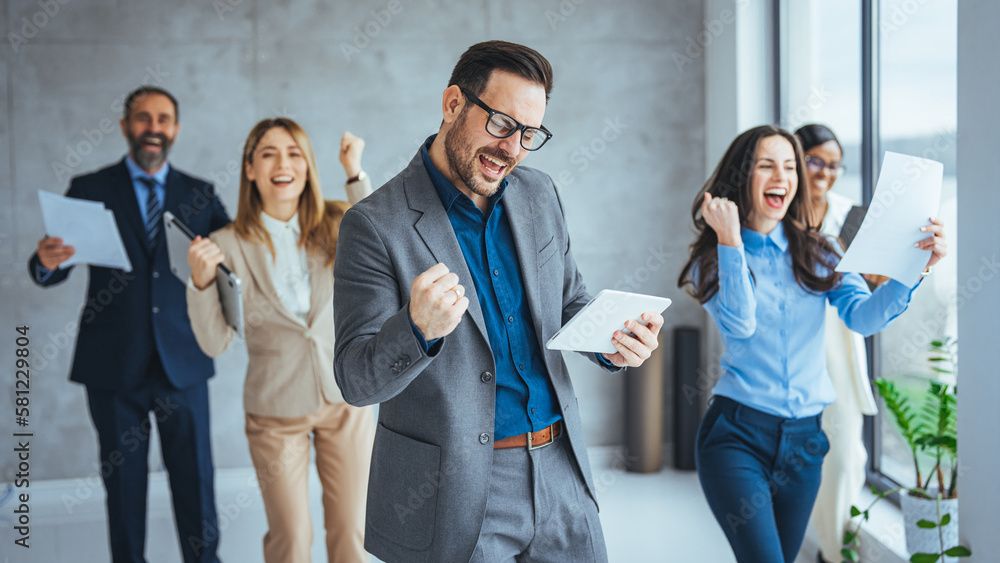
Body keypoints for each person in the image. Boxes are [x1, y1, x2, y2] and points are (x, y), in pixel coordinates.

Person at [332, 40, 663, 563]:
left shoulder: (540, 193)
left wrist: (613, 342)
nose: (513, 149)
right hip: (453, 491)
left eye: (529, 134)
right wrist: (417, 328)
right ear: (453, 105)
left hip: (561, 472)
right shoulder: (374, 225)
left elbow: (569, 300)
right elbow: (355, 379)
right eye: (503, 124)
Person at [676, 125, 946, 563]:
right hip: (737, 437)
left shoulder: (820, 251)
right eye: (766, 165)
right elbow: (741, 325)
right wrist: (730, 239)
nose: (781, 176)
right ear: (742, 176)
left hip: (805, 441)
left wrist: (914, 269)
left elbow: (864, 318)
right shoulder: (712, 261)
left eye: (789, 166)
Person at [27, 86, 229, 563]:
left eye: (163, 119)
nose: (153, 128)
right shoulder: (89, 188)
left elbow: (230, 267)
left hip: (183, 362)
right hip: (112, 367)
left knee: (196, 488)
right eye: (143, 118)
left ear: (175, 129)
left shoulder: (200, 193)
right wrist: (44, 260)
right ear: (125, 126)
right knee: (123, 490)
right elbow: (51, 272)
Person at [186, 119, 374, 563]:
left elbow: (385, 238)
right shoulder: (224, 244)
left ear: (307, 166)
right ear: (250, 168)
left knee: (352, 530)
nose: (282, 163)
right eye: (268, 153)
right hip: (274, 411)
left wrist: (354, 173)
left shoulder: (338, 220)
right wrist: (198, 284)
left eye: (293, 152)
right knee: (291, 537)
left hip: (344, 398)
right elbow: (214, 344)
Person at [795, 123, 878, 563]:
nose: (825, 173)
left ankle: (835, 552)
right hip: (793, 349)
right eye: (815, 161)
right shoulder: (777, 212)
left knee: (845, 455)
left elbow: (866, 287)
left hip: (839, 350)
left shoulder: (851, 215)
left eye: (834, 165)